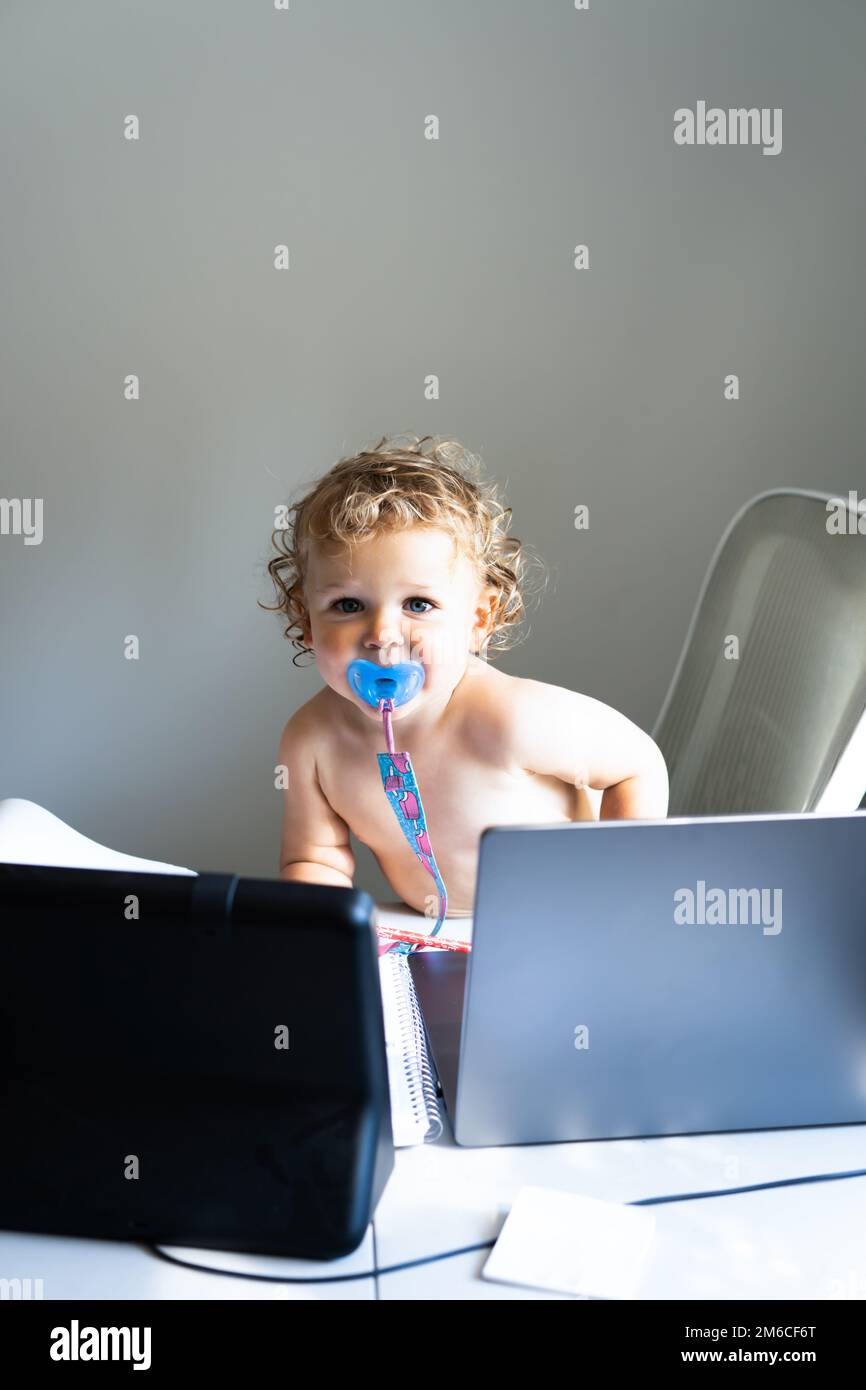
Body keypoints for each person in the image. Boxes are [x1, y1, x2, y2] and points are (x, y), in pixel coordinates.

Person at [260, 434, 668, 918]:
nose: (384, 635)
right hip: (442, 938)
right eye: (348, 606)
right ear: (307, 621)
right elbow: (316, 858)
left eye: (419, 605)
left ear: (478, 619)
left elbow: (637, 764)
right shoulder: (311, 741)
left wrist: (618, 893)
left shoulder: (510, 719)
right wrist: (317, 935)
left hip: (564, 922)